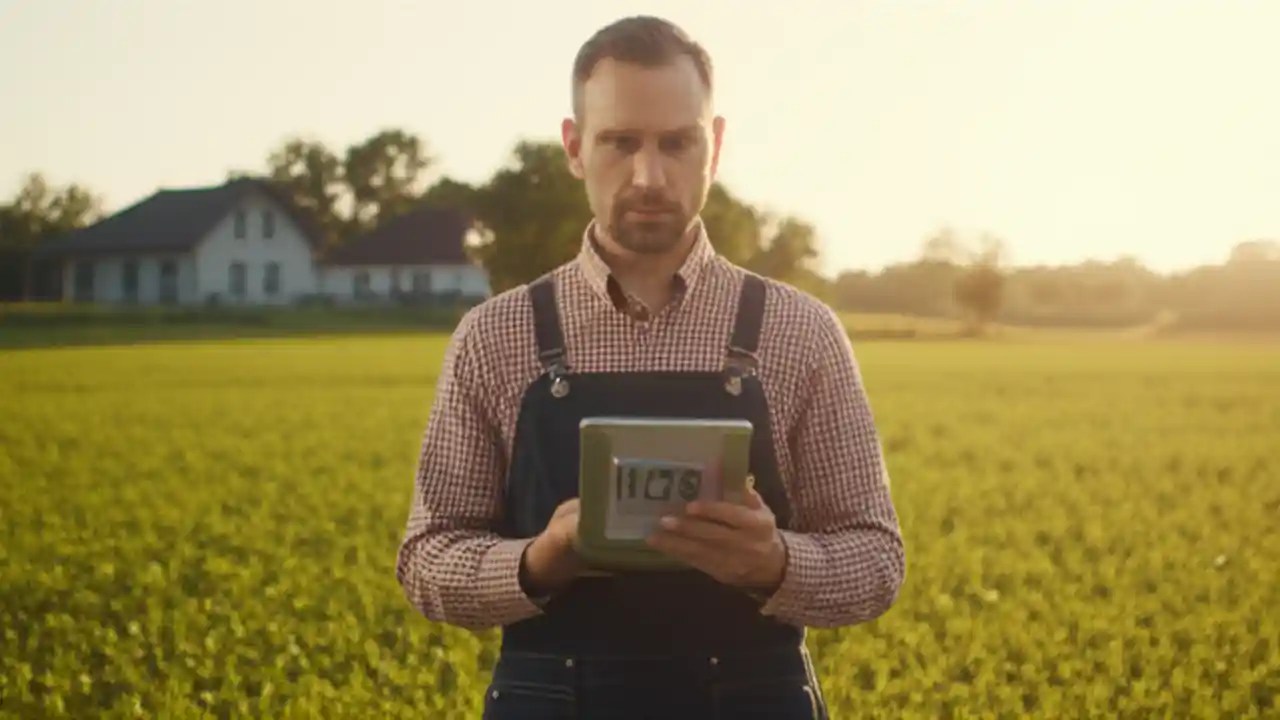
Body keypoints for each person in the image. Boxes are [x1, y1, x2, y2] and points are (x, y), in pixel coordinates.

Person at [396, 15, 905, 719]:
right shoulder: (495, 336)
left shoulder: (800, 331)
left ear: (715, 144)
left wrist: (775, 563)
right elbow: (427, 562)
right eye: (620, 142)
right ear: (575, 147)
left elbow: (876, 562)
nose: (648, 175)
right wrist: (543, 559)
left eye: (676, 142)